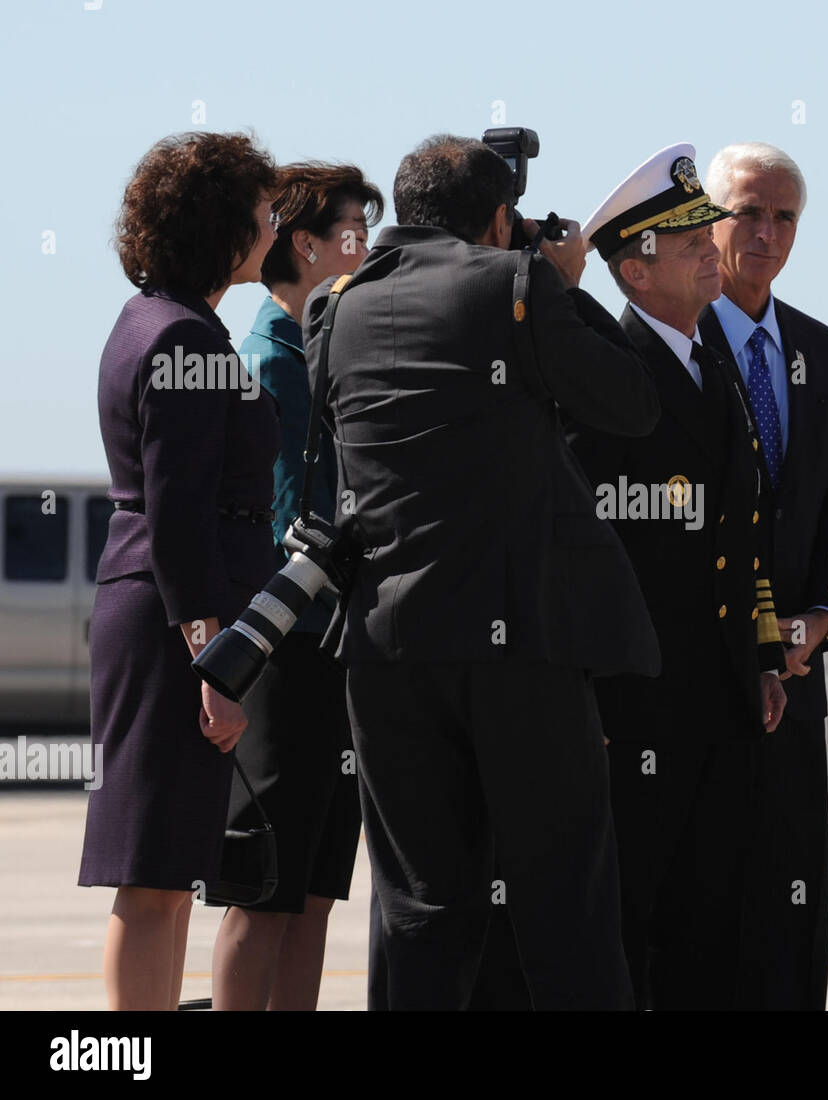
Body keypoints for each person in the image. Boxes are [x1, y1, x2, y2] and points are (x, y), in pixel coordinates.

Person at [306, 134, 660, 1010]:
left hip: (386, 653)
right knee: (565, 908)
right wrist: (562, 287)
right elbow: (631, 405)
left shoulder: (335, 306)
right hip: (517, 647)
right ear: (501, 218)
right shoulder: (515, 284)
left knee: (422, 909)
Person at [569, 143, 787, 1009]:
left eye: (705, 225)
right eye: (686, 234)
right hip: (639, 702)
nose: (711, 243)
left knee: (711, 920)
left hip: (719, 693)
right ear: (633, 268)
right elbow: (587, 550)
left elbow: (744, 527)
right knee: (635, 922)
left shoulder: (713, 357)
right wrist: (590, 693)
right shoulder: (607, 376)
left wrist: (762, 652)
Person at [77, 131, 280, 1010]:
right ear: (223, 228)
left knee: (166, 873)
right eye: (265, 213)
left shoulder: (158, 322)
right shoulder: (183, 340)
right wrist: (214, 661)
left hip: (158, 611)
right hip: (172, 623)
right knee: (154, 874)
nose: (275, 226)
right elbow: (180, 517)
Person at [212, 162, 384, 1011]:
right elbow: (283, 526)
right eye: (355, 229)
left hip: (336, 647)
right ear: (307, 243)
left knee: (317, 891)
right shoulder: (270, 362)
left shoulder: (324, 348)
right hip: (289, 653)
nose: (369, 246)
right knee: (265, 889)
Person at [697, 141, 828, 1010]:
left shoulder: (818, 348)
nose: (765, 233)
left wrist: (823, 619)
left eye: (784, 216)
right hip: (698, 685)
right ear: (708, 217)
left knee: (791, 919)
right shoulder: (671, 342)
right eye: (747, 212)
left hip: (799, 680)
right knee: (700, 916)